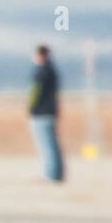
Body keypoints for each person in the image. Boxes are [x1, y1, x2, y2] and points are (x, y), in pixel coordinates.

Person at [28, 45, 63, 182]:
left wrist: (30, 108)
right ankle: (56, 173)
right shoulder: (53, 71)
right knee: (52, 144)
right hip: (51, 112)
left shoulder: (42, 72)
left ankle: (49, 174)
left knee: (46, 145)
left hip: (41, 113)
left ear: (40, 55)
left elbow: (35, 92)